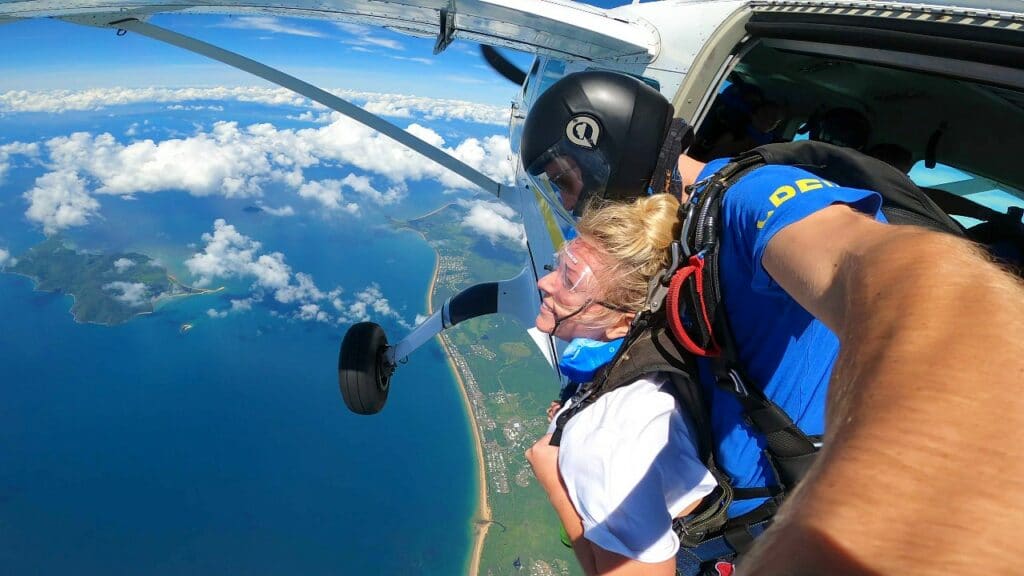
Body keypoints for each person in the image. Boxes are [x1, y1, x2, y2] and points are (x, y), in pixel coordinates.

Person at [520, 70, 1024, 575]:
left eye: (566, 180)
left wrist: (856, 536)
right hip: (748, 518)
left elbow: (927, 288)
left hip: (795, 522)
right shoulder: (687, 233)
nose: (567, 202)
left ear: (603, 149)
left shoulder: (750, 195)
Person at [526, 194, 718, 575]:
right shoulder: (647, 356)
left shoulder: (607, 447)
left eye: (570, 280)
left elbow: (614, 451)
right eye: (559, 266)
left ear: (622, 323)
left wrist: (553, 481)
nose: (544, 282)